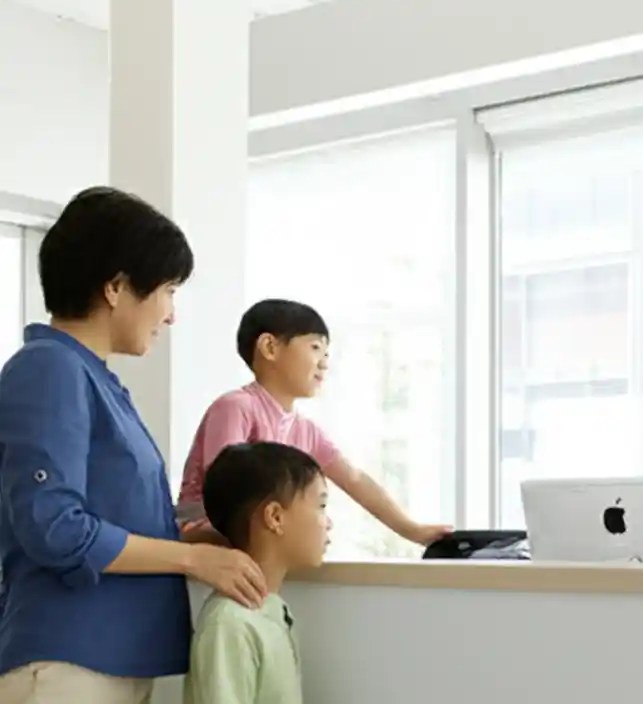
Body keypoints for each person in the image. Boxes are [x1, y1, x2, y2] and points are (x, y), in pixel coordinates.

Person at [0, 187, 267, 704]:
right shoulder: (49, 369)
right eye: (168, 290)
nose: (172, 314)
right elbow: (54, 527)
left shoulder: (91, 378)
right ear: (117, 287)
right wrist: (190, 562)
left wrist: (193, 540)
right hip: (67, 663)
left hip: (102, 662)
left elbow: (114, 517)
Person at [176, 298, 450, 547]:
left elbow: (354, 479)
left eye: (327, 354)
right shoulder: (236, 406)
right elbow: (224, 488)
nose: (324, 363)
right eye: (316, 347)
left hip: (263, 532)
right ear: (270, 347)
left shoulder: (306, 431)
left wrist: (412, 531)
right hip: (204, 529)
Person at [185, 442, 329, 704]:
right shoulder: (229, 624)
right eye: (321, 506)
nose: (328, 522)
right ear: (275, 517)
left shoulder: (273, 609)